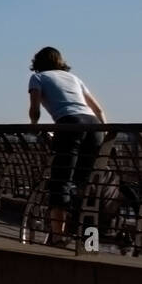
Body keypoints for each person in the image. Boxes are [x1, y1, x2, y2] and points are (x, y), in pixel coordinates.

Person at [28, 47, 106, 247]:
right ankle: (87, 237)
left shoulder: (38, 78)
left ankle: (58, 236)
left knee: (60, 180)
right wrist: (105, 133)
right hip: (94, 126)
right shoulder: (74, 78)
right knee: (82, 182)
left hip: (70, 124)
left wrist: (34, 126)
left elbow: (35, 109)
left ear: (37, 63)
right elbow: (98, 109)